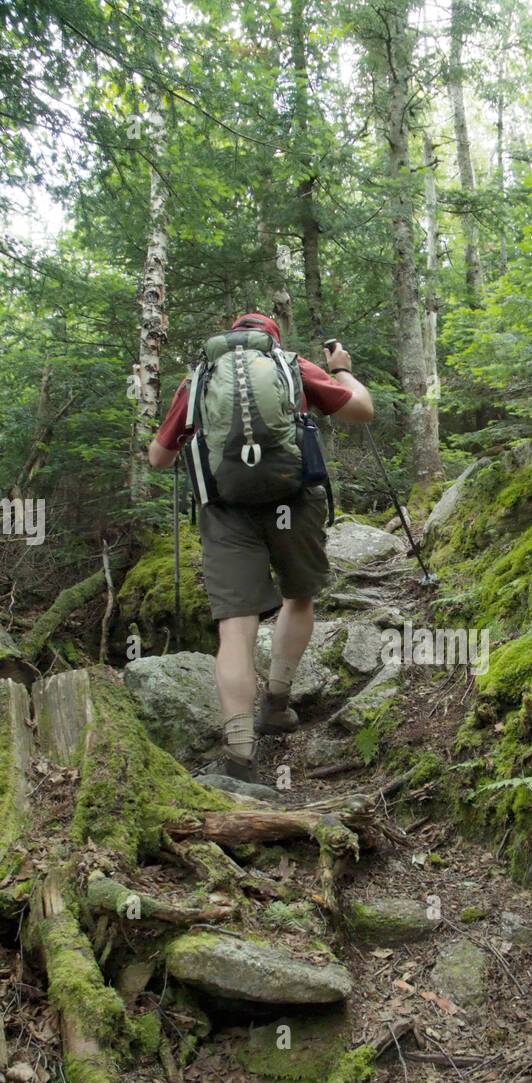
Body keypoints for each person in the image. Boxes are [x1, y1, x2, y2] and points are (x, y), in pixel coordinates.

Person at [148, 312, 374, 782]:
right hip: (293, 499)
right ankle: (276, 702)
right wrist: (342, 368)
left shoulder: (200, 378)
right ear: (271, 337)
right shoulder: (291, 364)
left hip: (225, 509)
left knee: (235, 629)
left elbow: (158, 457)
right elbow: (361, 410)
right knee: (299, 596)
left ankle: (239, 757)